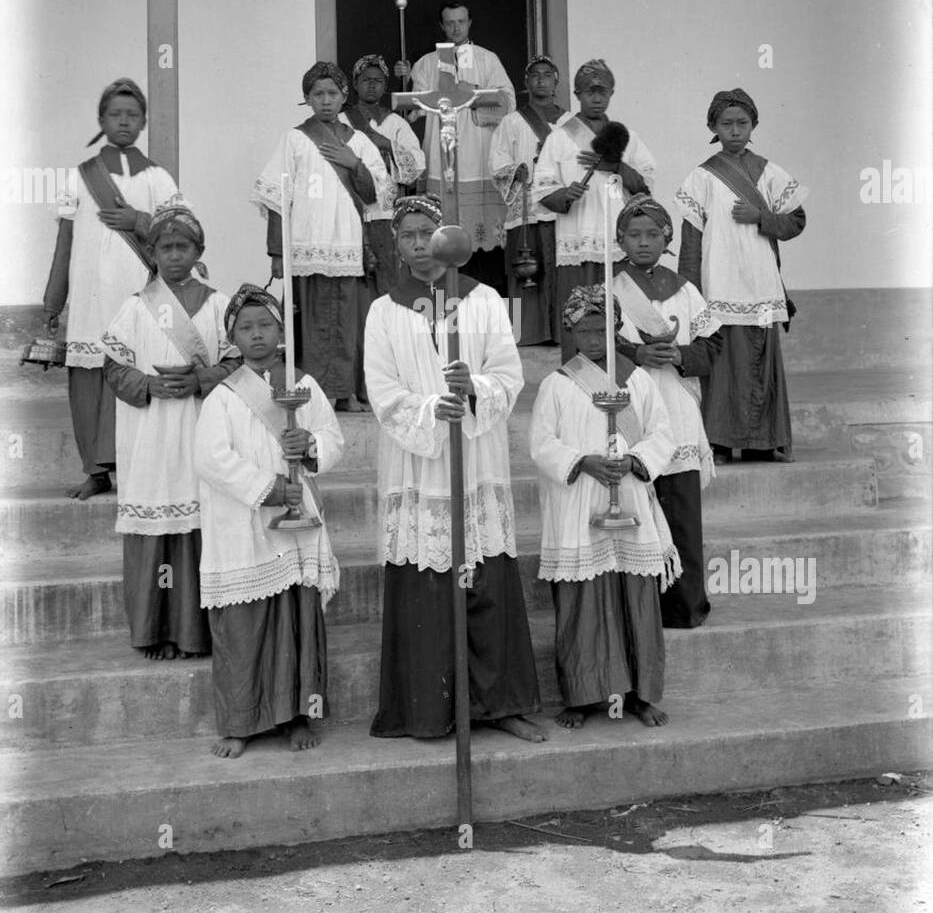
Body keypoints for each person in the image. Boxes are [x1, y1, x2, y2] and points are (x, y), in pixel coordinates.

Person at [364, 194, 545, 743]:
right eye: (408, 236)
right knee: (427, 580)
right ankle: (426, 707)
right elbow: (381, 387)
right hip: (418, 463)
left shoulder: (484, 300)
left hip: (474, 454)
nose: (420, 244)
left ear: (447, 237)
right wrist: (426, 409)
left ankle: (499, 703)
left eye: (428, 233)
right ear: (396, 244)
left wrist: (473, 392)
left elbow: (508, 374)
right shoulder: (383, 310)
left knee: (486, 577)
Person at [194, 284, 344, 759]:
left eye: (265, 325)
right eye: (246, 327)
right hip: (244, 525)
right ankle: (239, 724)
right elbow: (211, 459)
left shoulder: (303, 384)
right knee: (244, 628)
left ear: (281, 331)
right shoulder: (222, 397)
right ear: (232, 337)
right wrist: (268, 488)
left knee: (297, 621)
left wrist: (312, 445)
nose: (257, 334)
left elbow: (333, 436)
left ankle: (298, 716)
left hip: (296, 525)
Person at [529, 285, 680, 730]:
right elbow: (541, 444)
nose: (594, 339)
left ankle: (640, 695)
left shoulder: (637, 380)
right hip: (578, 506)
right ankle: (582, 696)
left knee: (636, 601)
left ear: (616, 328)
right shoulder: (556, 385)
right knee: (583, 605)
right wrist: (581, 462)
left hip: (629, 499)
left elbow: (662, 435)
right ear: (571, 332)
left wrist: (635, 461)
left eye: (602, 329)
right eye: (584, 330)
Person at [100, 203, 239, 659]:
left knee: (197, 527)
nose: (174, 255)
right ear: (153, 253)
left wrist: (200, 379)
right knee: (156, 527)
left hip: (201, 429)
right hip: (150, 433)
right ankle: (153, 631)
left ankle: (194, 633)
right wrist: (150, 384)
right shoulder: (136, 307)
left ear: (198, 250)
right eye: (165, 247)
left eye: (183, 246)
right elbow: (114, 368)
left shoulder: (219, 305)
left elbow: (238, 364)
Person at [42, 78, 179, 499]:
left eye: (132, 115)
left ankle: (137, 468)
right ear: (101, 120)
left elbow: (181, 232)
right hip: (88, 296)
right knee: (89, 380)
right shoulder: (81, 176)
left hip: (137, 295)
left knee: (135, 375)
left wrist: (140, 220)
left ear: (142, 123)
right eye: (115, 114)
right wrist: (53, 300)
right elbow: (64, 242)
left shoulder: (157, 177)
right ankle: (96, 472)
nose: (124, 121)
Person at [676, 88, 807, 462]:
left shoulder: (770, 172)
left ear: (753, 126)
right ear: (713, 127)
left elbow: (797, 221)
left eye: (742, 123)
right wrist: (690, 294)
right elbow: (690, 243)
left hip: (761, 284)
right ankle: (718, 442)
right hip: (719, 283)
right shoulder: (700, 178)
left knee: (761, 362)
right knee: (722, 366)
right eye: (726, 124)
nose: (735, 130)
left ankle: (764, 443)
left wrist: (761, 217)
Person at [252, 61, 389, 411]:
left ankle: (346, 394)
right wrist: (276, 253)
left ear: (345, 96)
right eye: (318, 94)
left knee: (348, 322)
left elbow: (377, 195)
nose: (326, 100)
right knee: (308, 324)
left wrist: (353, 162)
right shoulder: (294, 139)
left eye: (332, 93)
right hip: (307, 246)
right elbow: (277, 199)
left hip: (347, 246)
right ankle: (310, 395)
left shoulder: (360, 142)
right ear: (307, 99)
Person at [613, 194, 722, 629]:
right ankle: (637, 608)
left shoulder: (687, 291)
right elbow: (593, 346)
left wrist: (679, 357)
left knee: (680, 512)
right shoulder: (610, 288)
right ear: (619, 239)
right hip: (631, 410)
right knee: (636, 508)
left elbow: (711, 346)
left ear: (667, 238)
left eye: (652, 234)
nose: (643, 242)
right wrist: (636, 351)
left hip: (676, 409)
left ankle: (684, 605)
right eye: (634, 235)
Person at [531, 59, 657, 357]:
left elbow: (645, 185)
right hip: (577, 240)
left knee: (621, 318)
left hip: (616, 239)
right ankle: (578, 382)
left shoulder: (626, 137)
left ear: (612, 93)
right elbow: (541, 189)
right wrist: (565, 194)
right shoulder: (559, 138)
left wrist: (615, 165)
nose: (596, 98)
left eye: (603, 92)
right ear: (577, 94)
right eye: (589, 92)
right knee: (578, 317)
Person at [398, 3, 515, 291]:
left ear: (470, 22)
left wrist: (471, 95)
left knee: (485, 248)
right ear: (441, 25)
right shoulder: (426, 63)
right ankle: (445, 305)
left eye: (461, 21)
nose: (456, 28)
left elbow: (507, 101)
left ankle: (490, 307)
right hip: (441, 158)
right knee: (442, 243)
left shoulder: (487, 60)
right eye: (449, 22)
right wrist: (405, 79)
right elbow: (413, 108)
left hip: (479, 158)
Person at [488, 55, 564, 345]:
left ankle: (558, 331)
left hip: (558, 208)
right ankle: (528, 333)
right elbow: (498, 160)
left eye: (547, 74)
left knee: (558, 268)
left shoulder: (570, 122)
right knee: (525, 268)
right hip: (526, 208)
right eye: (535, 75)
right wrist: (513, 170)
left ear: (556, 81)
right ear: (526, 82)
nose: (541, 80)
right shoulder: (511, 122)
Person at [344, 53, 426, 296]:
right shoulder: (341, 120)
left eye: (378, 80)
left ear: (385, 86)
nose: (372, 84)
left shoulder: (397, 123)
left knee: (390, 285)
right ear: (355, 84)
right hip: (351, 214)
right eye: (366, 79)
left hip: (388, 216)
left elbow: (416, 167)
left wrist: (386, 143)